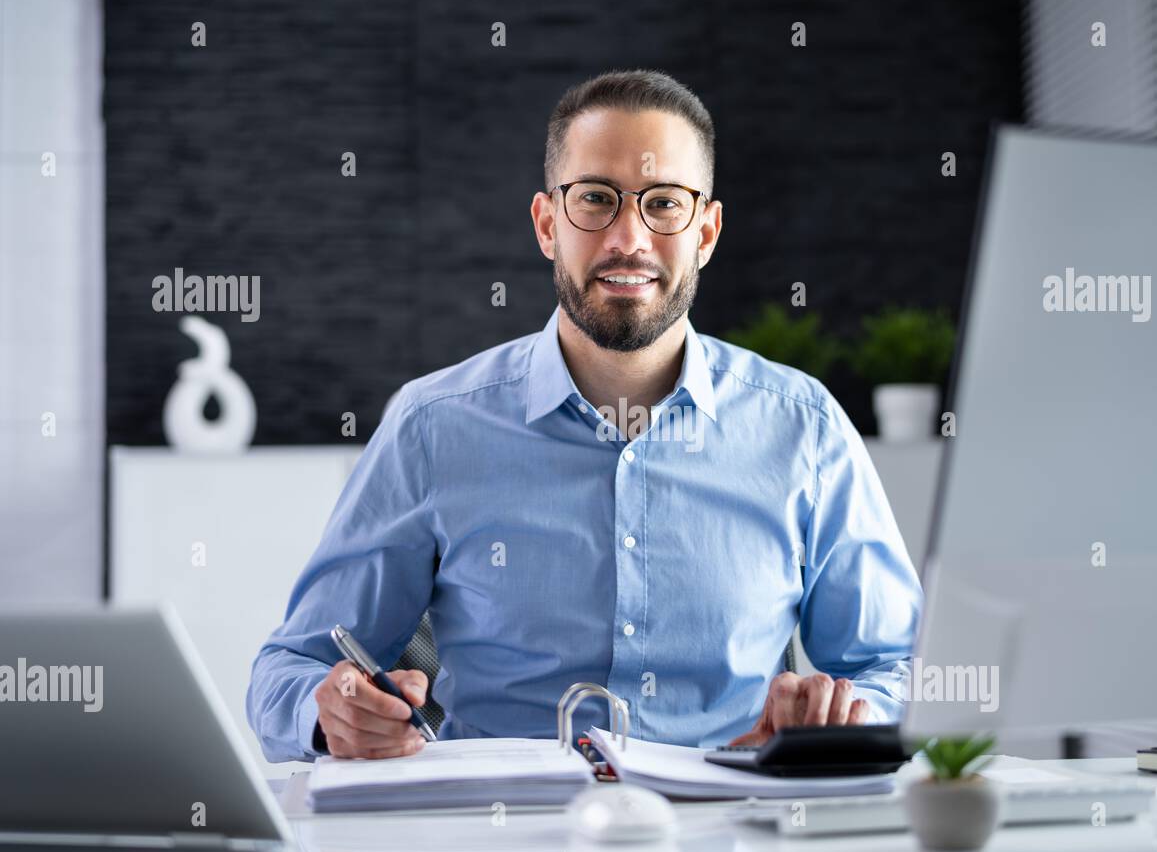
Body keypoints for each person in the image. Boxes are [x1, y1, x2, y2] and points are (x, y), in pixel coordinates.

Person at [246, 68, 922, 762]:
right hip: (499, 833)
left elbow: (900, 667)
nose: (628, 239)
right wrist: (329, 713)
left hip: (727, 830)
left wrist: (853, 712)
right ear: (547, 224)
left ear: (708, 233)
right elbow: (287, 669)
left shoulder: (803, 429)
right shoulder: (430, 427)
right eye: (595, 198)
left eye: (664, 204)